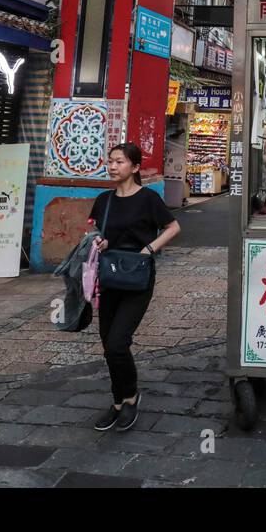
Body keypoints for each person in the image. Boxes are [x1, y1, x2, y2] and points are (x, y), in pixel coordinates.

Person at [90, 142, 181, 432]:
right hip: (110, 276)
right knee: (109, 346)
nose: (113, 166)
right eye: (111, 161)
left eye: (119, 162)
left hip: (138, 277)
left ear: (135, 167)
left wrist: (149, 249)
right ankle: (117, 403)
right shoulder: (104, 199)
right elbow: (95, 231)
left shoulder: (148, 199)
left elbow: (173, 227)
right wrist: (98, 241)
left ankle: (131, 398)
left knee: (118, 342)